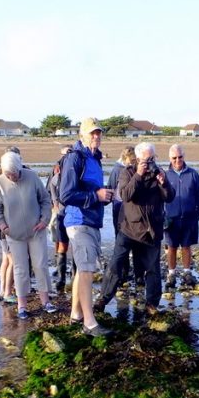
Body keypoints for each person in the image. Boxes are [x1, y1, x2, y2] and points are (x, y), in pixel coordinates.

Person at [97, 142, 175, 315]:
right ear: (138, 159)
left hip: (151, 229)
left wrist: (164, 183)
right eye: (147, 160)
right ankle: (103, 299)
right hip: (129, 228)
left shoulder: (159, 172)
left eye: (152, 158)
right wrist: (139, 175)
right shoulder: (128, 172)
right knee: (116, 264)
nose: (150, 163)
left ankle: (152, 304)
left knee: (153, 268)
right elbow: (125, 195)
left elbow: (170, 197)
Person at [59, 117, 113, 336]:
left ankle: (76, 314)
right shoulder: (75, 158)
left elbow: (91, 191)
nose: (96, 136)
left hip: (91, 221)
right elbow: (65, 194)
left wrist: (105, 196)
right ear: (82, 135)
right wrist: (95, 196)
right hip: (78, 221)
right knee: (87, 270)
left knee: (82, 269)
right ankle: (89, 323)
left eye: (98, 132)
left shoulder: (95, 158)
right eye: (92, 133)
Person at [0, 150, 55, 319]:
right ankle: (22, 305)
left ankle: (46, 301)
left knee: (40, 265)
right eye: (7, 174)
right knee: (20, 268)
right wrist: (3, 225)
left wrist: (45, 220)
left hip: (37, 230)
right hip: (13, 234)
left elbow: (45, 200)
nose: (11, 177)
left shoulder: (32, 177)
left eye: (13, 173)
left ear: (19, 168)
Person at [163, 143, 199, 289]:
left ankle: (187, 272)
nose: (177, 160)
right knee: (171, 247)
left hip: (189, 219)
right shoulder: (165, 175)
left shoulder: (193, 174)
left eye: (180, 157)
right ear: (170, 158)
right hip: (170, 219)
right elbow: (159, 199)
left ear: (184, 156)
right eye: (174, 158)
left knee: (186, 246)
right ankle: (171, 274)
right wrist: (162, 218)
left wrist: (196, 217)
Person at [107, 146, 137, 285]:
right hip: (119, 208)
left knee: (134, 240)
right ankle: (122, 273)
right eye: (132, 160)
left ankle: (131, 271)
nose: (133, 163)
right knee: (121, 240)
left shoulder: (131, 169)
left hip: (132, 209)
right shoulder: (117, 170)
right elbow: (111, 188)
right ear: (125, 158)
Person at [47, 146, 73, 293]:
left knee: (67, 245)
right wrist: (55, 202)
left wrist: (55, 201)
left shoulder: (63, 169)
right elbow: (51, 184)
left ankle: (65, 278)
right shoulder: (60, 169)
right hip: (63, 213)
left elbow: (52, 184)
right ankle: (63, 278)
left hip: (66, 213)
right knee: (62, 244)